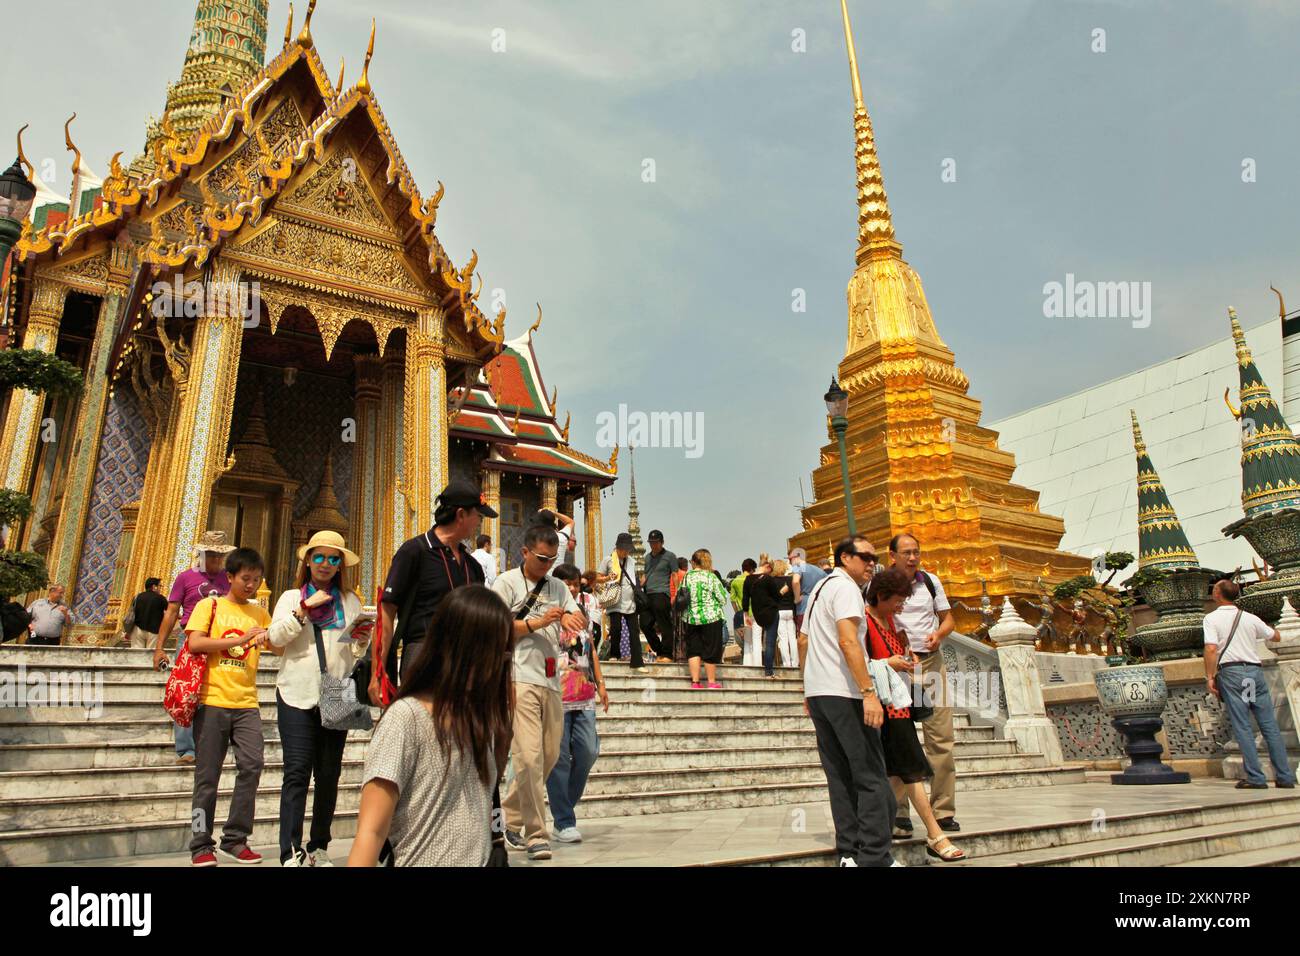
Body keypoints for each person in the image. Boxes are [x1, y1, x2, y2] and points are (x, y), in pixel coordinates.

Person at [348, 585, 514, 867]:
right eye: (492, 652)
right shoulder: (406, 719)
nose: (498, 665)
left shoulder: (478, 719)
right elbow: (371, 832)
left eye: (504, 654)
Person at [268, 530, 375, 867]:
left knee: (329, 774)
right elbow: (275, 640)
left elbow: (354, 650)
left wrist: (362, 638)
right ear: (308, 560)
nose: (326, 564)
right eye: (319, 557)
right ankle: (290, 850)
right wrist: (303, 610)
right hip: (296, 690)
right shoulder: (290, 597)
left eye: (333, 559)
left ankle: (319, 845)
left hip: (338, 689)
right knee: (297, 771)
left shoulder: (349, 601)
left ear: (340, 564)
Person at [797, 536, 898, 867]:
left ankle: (849, 853)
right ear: (845, 558)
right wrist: (868, 692)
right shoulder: (846, 590)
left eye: (874, 557)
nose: (872, 563)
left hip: (821, 694)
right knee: (870, 776)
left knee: (839, 776)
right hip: (846, 692)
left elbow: (802, 641)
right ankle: (875, 857)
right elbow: (847, 641)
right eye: (865, 557)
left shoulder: (819, 590)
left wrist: (807, 688)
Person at [494, 523, 586, 861]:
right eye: (541, 558)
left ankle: (509, 817)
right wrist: (537, 622)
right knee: (528, 758)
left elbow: (578, 617)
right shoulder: (506, 583)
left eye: (552, 559)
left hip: (552, 680)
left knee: (547, 757)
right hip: (518, 677)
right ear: (525, 552)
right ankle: (536, 834)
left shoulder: (558, 587)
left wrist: (571, 621)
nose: (547, 564)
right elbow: (495, 625)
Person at [865, 569, 966, 861]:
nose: (902, 607)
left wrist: (907, 660)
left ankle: (876, 829)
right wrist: (889, 662)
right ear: (881, 596)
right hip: (885, 708)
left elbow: (900, 653)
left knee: (896, 774)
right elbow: (856, 661)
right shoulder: (864, 622)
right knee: (910, 769)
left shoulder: (893, 623)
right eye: (898, 601)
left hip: (902, 704)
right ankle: (935, 834)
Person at [186, 548, 272, 866]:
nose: (250, 585)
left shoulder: (260, 614)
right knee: (206, 777)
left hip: (246, 702)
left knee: (252, 765)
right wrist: (237, 642)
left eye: (256, 579)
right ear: (230, 577)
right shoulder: (211, 606)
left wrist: (278, 629)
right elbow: (195, 642)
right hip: (212, 700)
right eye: (245, 578)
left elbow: (275, 642)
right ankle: (199, 843)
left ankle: (235, 838)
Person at [377, 481, 494, 697]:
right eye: (478, 515)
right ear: (461, 514)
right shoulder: (415, 552)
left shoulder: (473, 566)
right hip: (424, 654)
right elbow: (387, 611)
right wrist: (379, 670)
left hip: (466, 660)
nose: (479, 522)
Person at [888, 532, 960, 837]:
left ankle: (943, 810)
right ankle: (899, 812)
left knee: (941, 737)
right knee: (899, 739)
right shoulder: (881, 586)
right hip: (899, 668)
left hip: (931, 663)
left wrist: (939, 635)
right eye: (906, 552)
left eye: (916, 551)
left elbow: (948, 619)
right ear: (891, 556)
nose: (912, 557)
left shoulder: (930, 581)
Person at [153, 530, 236, 765]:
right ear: (201, 554)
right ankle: (186, 748)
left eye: (219, 557)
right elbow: (171, 613)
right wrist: (160, 647)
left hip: (218, 641)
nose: (215, 561)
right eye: (211, 556)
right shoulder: (185, 578)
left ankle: (210, 744)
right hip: (190, 640)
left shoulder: (227, 580)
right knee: (186, 692)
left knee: (216, 692)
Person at [1204, 579, 1297, 790]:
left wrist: (1210, 676)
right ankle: (1284, 777)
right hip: (1254, 672)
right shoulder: (1249, 617)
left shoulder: (1212, 619)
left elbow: (1210, 648)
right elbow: (1276, 635)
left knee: (1243, 726)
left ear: (1218, 595)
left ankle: (1256, 777)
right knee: (1269, 726)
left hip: (1233, 673)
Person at [546, 563, 610, 843]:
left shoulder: (582, 612)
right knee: (558, 759)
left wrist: (601, 683)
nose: (571, 588)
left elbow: (591, 648)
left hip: (583, 694)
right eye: (566, 584)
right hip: (555, 694)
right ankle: (563, 820)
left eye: (574, 583)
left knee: (587, 752)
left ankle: (564, 808)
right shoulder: (544, 614)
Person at [681, 549, 729, 689]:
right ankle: (711, 681)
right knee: (710, 649)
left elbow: (682, 595)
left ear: (694, 562)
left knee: (694, 649)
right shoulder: (711, 577)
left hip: (691, 617)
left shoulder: (687, 577)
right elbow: (722, 598)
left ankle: (695, 682)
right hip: (711, 617)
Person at [597, 533, 645, 671]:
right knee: (616, 628)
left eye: (628, 549)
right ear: (618, 547)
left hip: (629, 600)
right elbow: (598, 577)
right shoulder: (608, 560)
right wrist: (608, 578)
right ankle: (614, 654)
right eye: (624, 548)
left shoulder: (631, 561)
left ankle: (637, 661)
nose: (626, 551)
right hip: (614, 599)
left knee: (634, 630)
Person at [639, 529, 677, 663]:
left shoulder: (670, 556)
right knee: (644, 623)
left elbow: (674, 575)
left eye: (656, 542)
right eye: (651, 542)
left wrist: (675, 593)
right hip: (648, 594)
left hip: (662, 593)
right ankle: (659, 650)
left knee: (664, 624)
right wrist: (641, 582)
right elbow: (646, 573)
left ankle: (667, 654)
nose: (653, 545)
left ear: (662, 542)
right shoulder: (647, 557)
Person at [745, 562, 781, 676]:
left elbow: (745, 599)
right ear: (768, 567)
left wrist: (746, 614)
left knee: (756, 640)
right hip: (771, 612)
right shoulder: (768, 579)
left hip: (757, 614)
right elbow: (777, 596)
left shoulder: (748, 579)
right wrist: (782, 592)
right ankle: (768, 671)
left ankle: (758, 663)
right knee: (770, 642)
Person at [770, 558, 798, 673]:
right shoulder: (791, 579)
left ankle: (786, 663)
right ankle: (795, 662)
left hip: (779, 611)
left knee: (783, 638)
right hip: (790, 610)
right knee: (792, 638)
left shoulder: (772, 581)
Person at [789, 547, 826, 633]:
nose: (790, 562)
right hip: (818, 607)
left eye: (790, 559)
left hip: (804, 607)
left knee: (804, 639)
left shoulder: (798, 567)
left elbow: (795, 581)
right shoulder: (819, 570)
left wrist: (797, 598)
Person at [126, 578, 167, 649]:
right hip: (154, 631)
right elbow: (170, 611)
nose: (160, 588)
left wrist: (127, 631)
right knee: (151, 655)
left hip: (137, 630)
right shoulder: (161, 598)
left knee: (136, 655)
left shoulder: (137, 597)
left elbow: (131, 612)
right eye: (160, 586)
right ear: (154, 587)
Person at [730, 559, 755, 652]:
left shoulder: (735, 581)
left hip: (742, 614)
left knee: (745, 642)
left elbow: (732, 600)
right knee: (755, 640)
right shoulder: (754, 579)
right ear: (752, 569)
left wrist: (737, 612)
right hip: (754, 613)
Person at [670, 557, 689, 661]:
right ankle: (683, 653)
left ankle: (675, 653)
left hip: (672, 603)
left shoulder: (672, 574)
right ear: (685, 566)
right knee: (683, 630)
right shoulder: (685, 574)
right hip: (682, 604)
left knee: (675, 630)